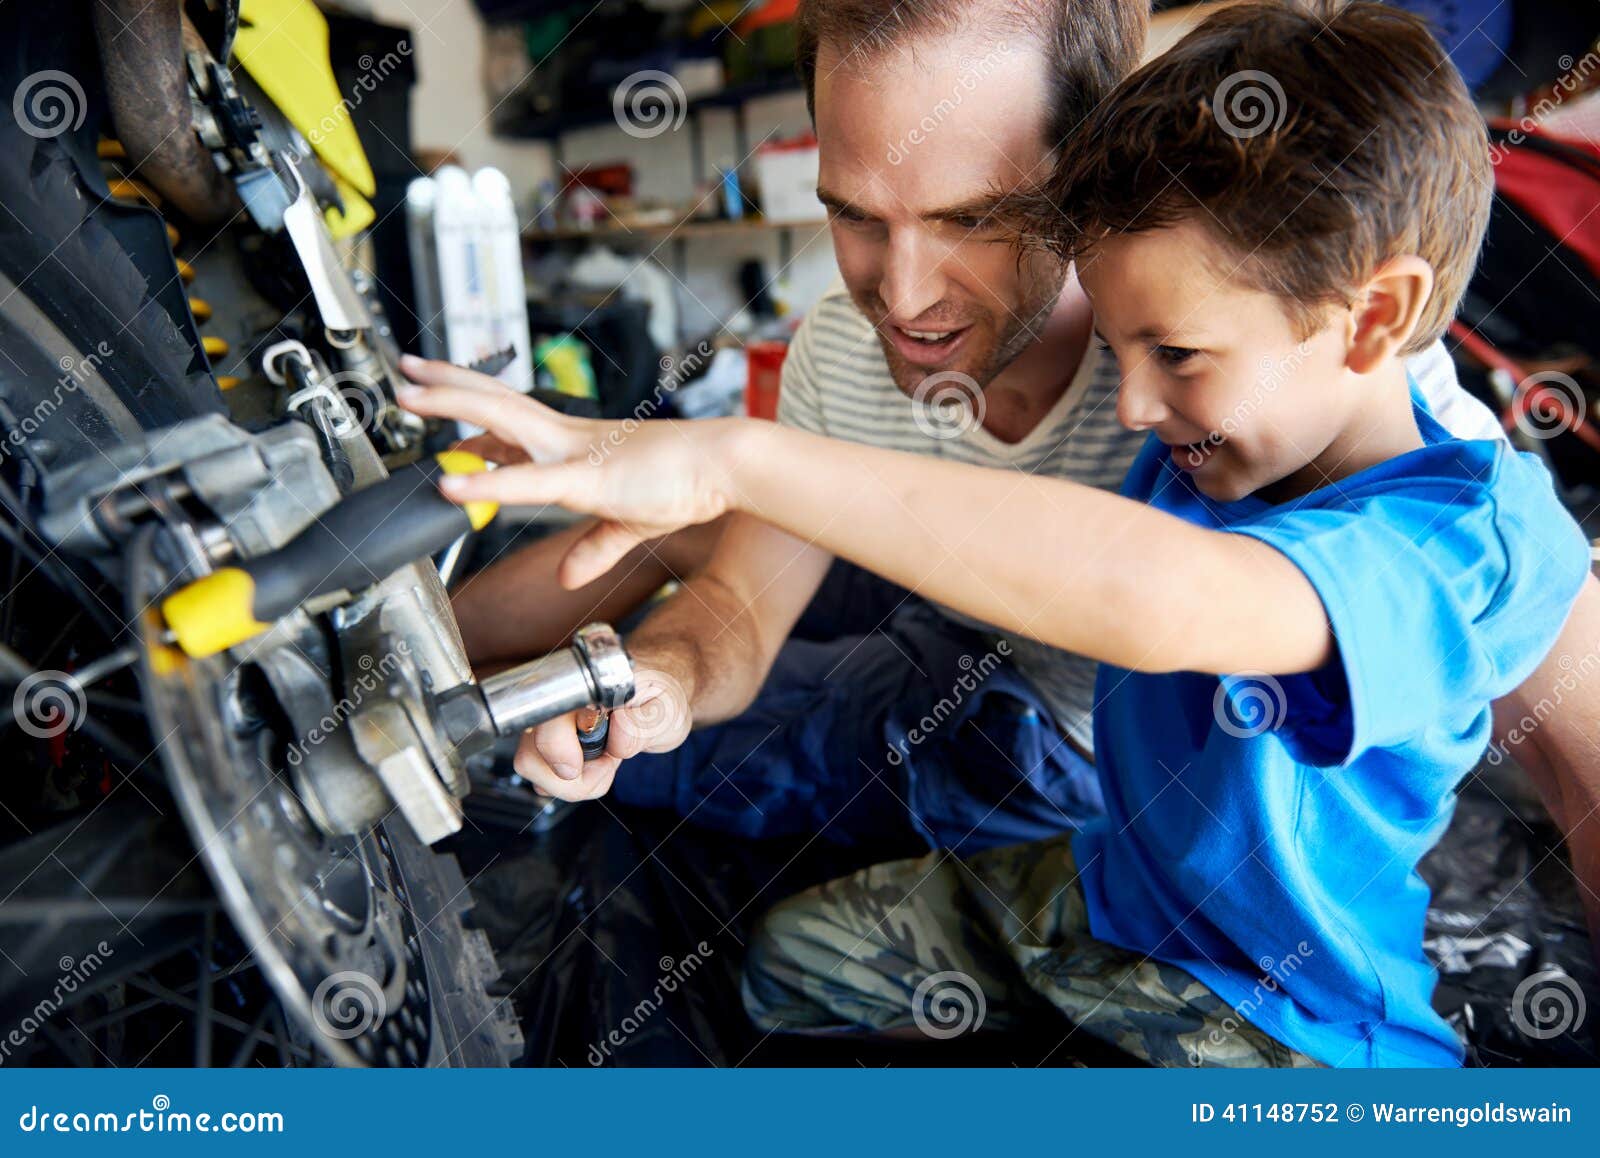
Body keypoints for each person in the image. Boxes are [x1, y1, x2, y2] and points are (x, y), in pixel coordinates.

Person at [401, 0, 1590, 1065]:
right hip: (1108, 876)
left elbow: (1176, 593)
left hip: (1255, 995)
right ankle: (393, 654)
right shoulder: (1199, 417)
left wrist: (731, 455)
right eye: (853, 218)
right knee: (762, 888)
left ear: (1087, 173)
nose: (902, 294)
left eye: (969, 216)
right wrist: (662, 674)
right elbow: (745, 605)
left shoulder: (1385, 456)